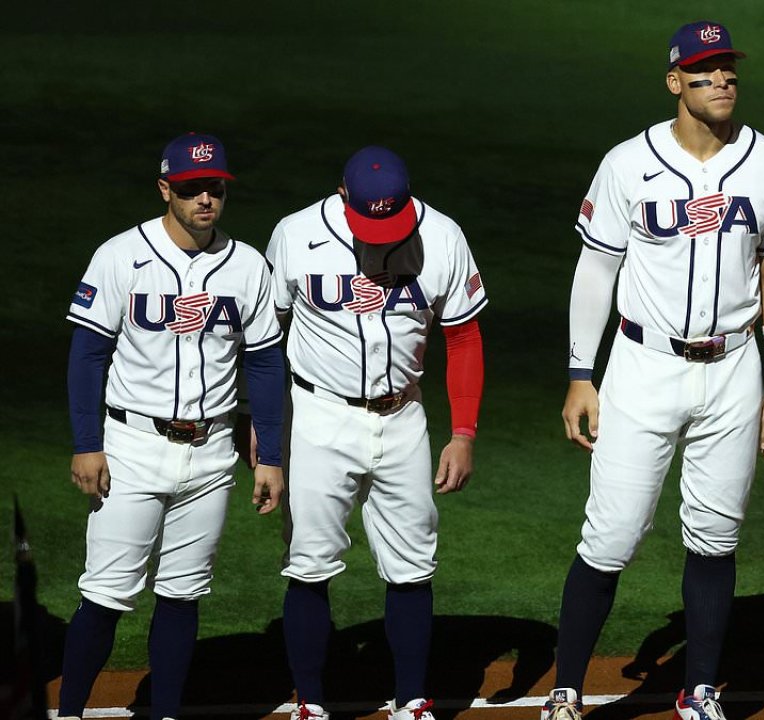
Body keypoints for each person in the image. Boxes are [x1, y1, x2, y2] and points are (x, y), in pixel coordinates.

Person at [542, 20, 764, 720]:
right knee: (613, 533)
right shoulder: (629, 162)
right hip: (642, 365)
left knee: (716, 535)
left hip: (733, 368)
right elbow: (596, 269)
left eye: (728, 69)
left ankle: (700, 690)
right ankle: (566, 691)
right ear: (674, 82)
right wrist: (580, 373)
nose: (721, 80)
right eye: (704, 70)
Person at [60, 132, 286, 720]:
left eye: (214, 188)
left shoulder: (247, 266)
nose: (204, 200)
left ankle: (164, 714)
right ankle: (68, 712)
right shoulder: (119, 256)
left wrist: (271, 454)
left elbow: (263, 363)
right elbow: (87, 354)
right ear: (166, 189)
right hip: (131, 446)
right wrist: (88, 445)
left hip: (210, 454)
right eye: (191, 189)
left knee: (183, 595)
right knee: (106, 594)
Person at [267, 146, 487, 720]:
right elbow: (268, 342)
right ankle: (309, 702)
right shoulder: (294, 236)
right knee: (309, 561)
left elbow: (463, 337)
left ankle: (412, 698)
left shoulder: (441, 236)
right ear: (342, 196)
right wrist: (267, 429)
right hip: (318, 416)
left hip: (402, 417)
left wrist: (462, 432)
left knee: (413, 561)